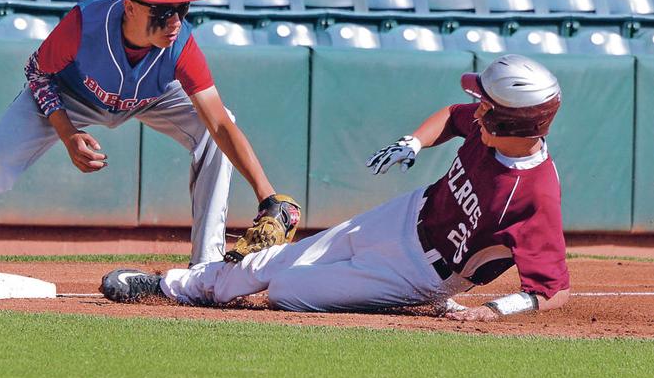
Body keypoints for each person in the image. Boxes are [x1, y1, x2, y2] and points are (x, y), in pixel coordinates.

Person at [0, 0, 299, 290]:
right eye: (163, 11)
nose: (175, 21)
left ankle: (204, 268)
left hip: (151, 98)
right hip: (68, 97)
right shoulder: (86, 22)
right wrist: (67, 132)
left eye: (182, 8)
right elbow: (37, 71)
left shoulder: (180, 45)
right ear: (130, 7)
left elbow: (221, 124)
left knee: (212, 128)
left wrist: (266, 196)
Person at [101, 55, 571, 322]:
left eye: (486, 106)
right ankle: (170, 285)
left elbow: (552, 291)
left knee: (287, 290)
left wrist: (493, 309)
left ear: (510, 120)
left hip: (424, 273)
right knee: (274, 262)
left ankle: (414, 303)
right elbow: (451, 116)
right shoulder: (491, 130)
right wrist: (414, 142)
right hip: (405, 216)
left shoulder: (534, 194)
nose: (478, 109)